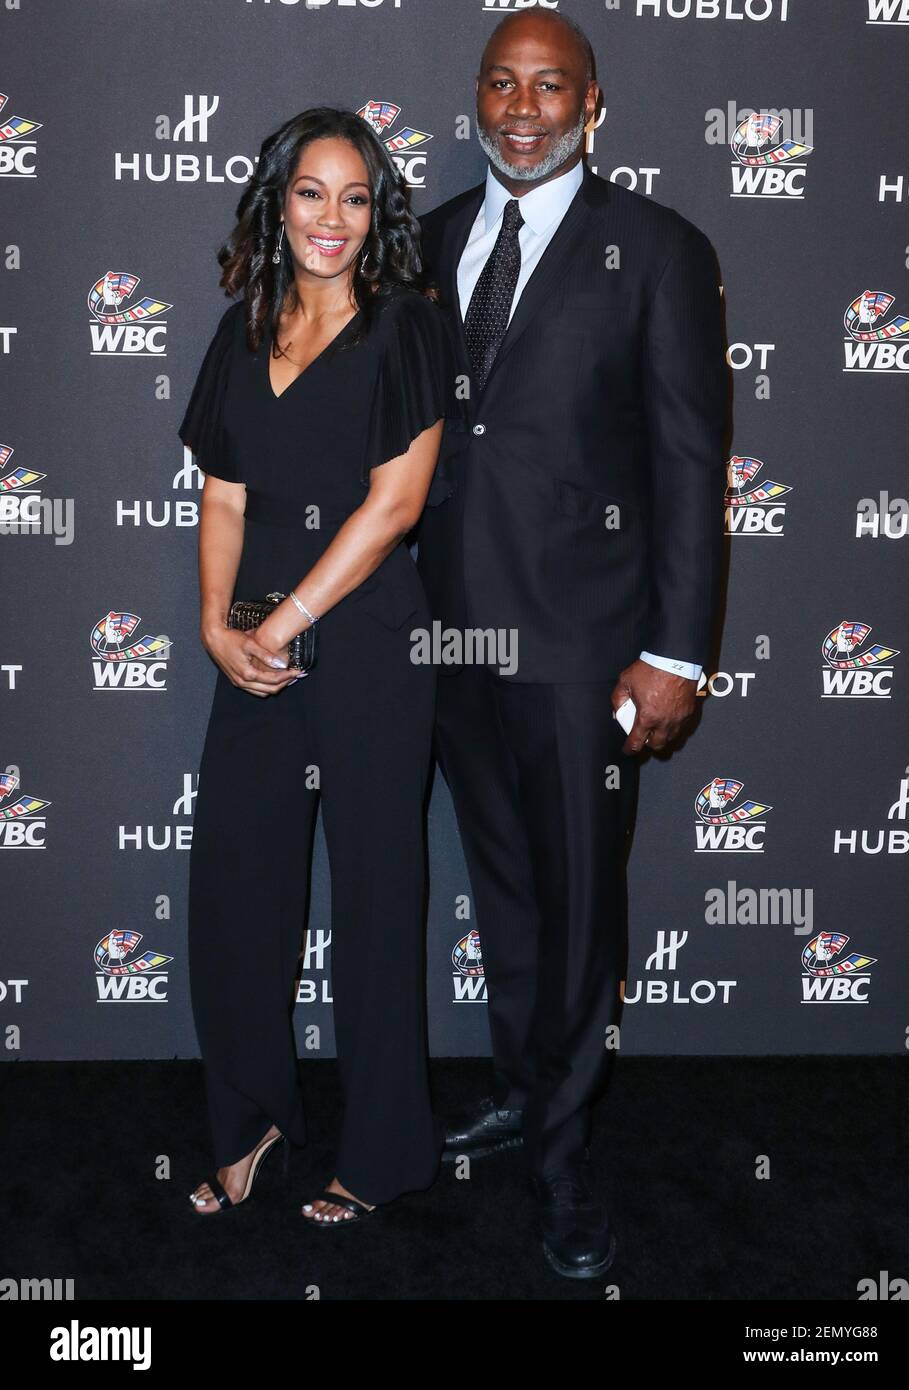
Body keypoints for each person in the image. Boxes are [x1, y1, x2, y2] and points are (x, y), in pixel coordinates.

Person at [415, 11, 729, 1277]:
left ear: (593, 104)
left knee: (580, 913)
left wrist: (676, 652)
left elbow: (687, 464)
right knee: (505, 899)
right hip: (448, 646)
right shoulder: (425, 243)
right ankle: (520, 1085)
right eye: (502, 83)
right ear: (475, 100)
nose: (523, 107)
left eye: (551, 86)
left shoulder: (656, 249)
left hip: (585, 653)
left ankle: (562, 1168)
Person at [179, 106, 460, 1226]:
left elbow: (393, 508)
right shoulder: (243, 327)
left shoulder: (407, 329)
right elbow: (224, 494)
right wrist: (214, 626)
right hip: (250, 649)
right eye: (310, 194)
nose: (330, 219)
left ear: (375, 211)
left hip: (369, 651)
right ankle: (248, 1124)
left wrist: (284, 619)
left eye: (353, 197)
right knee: (238, 892)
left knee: (379, 903)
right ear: (276, 202)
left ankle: (381, 1151)